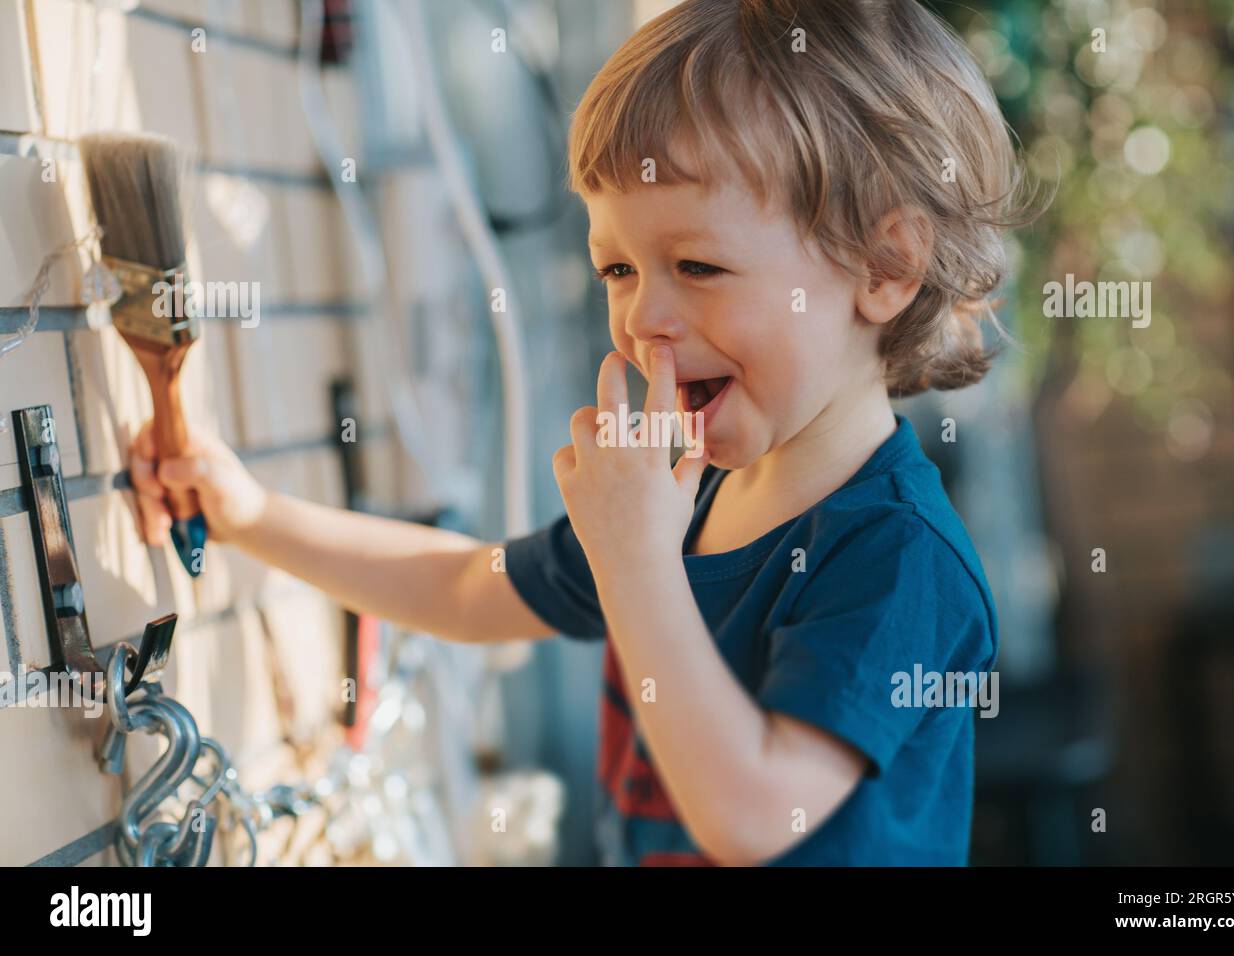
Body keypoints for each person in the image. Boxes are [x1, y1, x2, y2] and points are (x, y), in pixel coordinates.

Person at [131, 0, 1030, 865]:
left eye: (698, 265)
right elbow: (464, 589)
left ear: (885, 267)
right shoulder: (685, 497)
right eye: (617, 268)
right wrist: (247, 512)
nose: (644, 318)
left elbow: (755, 813)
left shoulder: (898, 557)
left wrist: (636, 560)